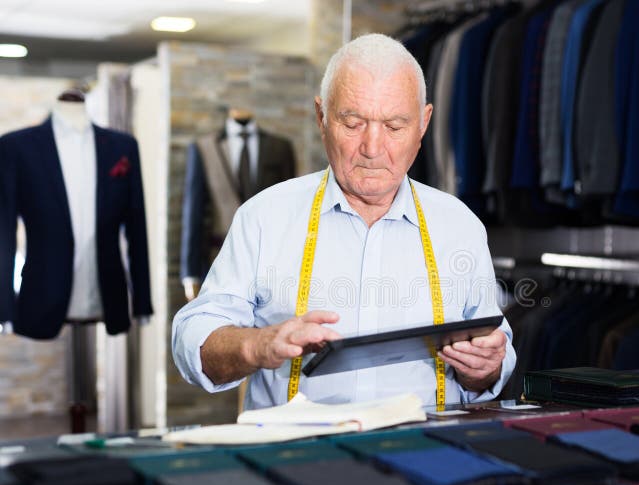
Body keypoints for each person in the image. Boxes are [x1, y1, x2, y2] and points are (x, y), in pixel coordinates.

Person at [172, 33, 516, 409]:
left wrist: (482, 369)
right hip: (299, 445)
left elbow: (493, 357)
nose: (372, 148)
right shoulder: (263, 218)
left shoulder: (461, 226)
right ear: (321, 117)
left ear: (423, 123)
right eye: (352, 123)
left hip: (422, 443)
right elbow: (192, 339)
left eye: (394, 126)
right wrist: (257, 345)